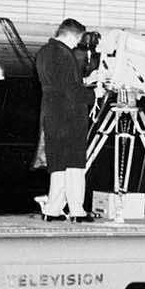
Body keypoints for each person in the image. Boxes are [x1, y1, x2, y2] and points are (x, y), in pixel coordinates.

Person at [33, 18, 94, 220]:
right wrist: (93, 94)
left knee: (57, 165)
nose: (78, 44)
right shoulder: (65, 55)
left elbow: (60, 83)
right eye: (78, 39)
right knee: (75, 165)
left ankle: (53, 209)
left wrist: (82, 82)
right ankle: (77, 210)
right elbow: (71, 91)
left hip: (51, 113)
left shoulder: (43, 53)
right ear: (72, 35)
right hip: (70, 117)